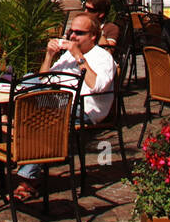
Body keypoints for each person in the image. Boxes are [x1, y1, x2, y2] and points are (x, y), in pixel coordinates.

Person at [13, 12, 116, 200]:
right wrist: (49, 56)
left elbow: (97, 86)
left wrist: (78, 55)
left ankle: (27, 177)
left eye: (79, 33)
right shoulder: (66, 56)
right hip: (57, 102)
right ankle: (20, 153)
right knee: (26, 90)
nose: (72, 36)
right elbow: (43, 80)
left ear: (92, 36)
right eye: (71, 32)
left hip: (84, 108)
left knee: (43, 118)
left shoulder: (103, 58)